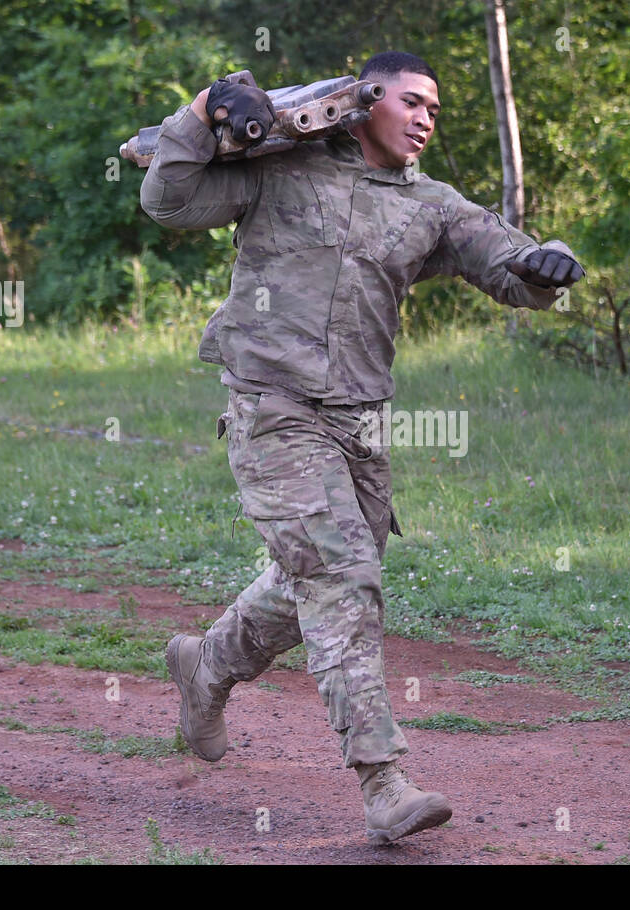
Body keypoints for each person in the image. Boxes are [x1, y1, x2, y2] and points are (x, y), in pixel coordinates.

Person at [140, 50, 584, 846]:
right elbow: (169, 201)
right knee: (343, 576)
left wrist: (546, 265)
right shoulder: (280, 167)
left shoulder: (433, 207)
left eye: (434, 110)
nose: (423, 119)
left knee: (315, 580)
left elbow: (509, 264)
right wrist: (201, 107)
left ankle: (206, 664)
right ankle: (383, 781)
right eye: (411, 102)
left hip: (362, 424)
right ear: (364, 99)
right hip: (272, 409)